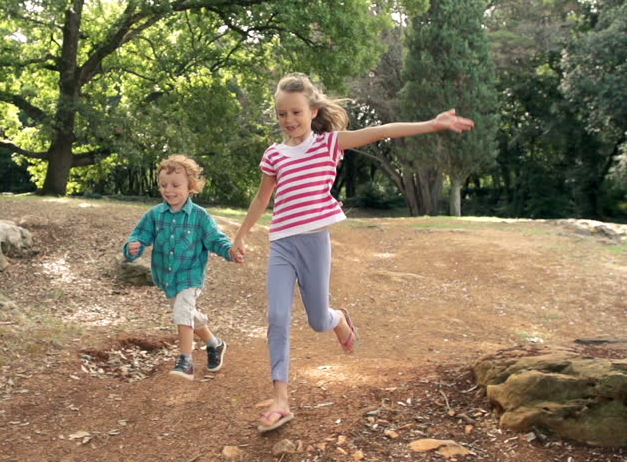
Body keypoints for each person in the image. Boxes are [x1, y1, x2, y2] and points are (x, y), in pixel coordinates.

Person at [232, 73, 475, 432]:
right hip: (282, 243)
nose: (288, 121)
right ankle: (280, 400)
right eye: (281, 114)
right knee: (278, 317)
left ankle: (338, 319)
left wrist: (432, 124)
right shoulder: (274, 155)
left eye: (295, 112)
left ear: (313, 112)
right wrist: (241, 234)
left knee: (317, 321)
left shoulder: (329, 144)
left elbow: (381, 131)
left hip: (314, 243)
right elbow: (262, 198)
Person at [124, 154, 244, 381]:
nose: (169, 190)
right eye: (164, 185)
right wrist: (134, 247)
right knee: (188, 314)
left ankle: (186, 360)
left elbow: (216, 239)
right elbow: (140, 235)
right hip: (167, 277)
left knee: (182, 311)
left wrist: (230, 251)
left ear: (191, 187)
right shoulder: (155, 215)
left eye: (175, 185)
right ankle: (214, 344)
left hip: (190, 276)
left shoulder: (200, 217)